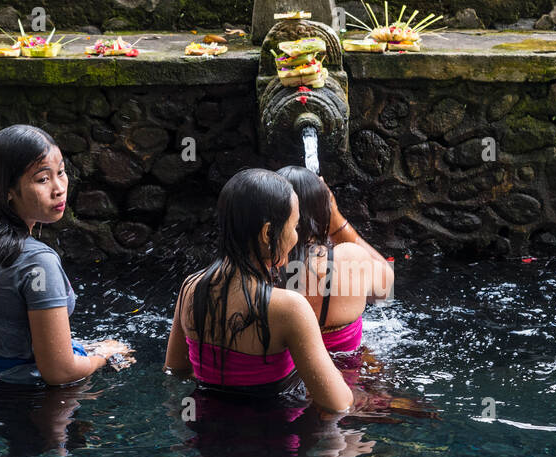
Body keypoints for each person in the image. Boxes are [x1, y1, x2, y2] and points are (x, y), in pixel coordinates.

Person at [164, 168, 353, 412]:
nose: (297, 237)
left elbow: (176, 369)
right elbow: (338, 403)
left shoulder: (191, 288)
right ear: (267, 233)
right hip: (274, 443)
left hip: (206, 441)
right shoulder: (289, 308)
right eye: (294, 226)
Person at [0, 125, 132, 385]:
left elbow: (11, 338)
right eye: (42, 179)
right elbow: (59, 373)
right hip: (31, 401)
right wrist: (103, 356)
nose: (59, 188)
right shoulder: (37, 261)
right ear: (8, 189)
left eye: (61, 173)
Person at [275, 166, 394, 353]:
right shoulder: (348, 260)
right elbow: (386, 289)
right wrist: (336, 220)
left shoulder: (258, 268)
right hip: (348, 377)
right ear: (322, 211)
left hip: (286, 378)